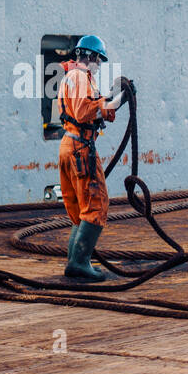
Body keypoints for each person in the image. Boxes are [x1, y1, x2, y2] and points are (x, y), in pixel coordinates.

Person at [57, 34, 118, 281]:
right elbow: (83, 111)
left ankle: (75, 261)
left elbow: (88, 109)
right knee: (96, 205)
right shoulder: (81, 77)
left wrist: (112, 103)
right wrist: (108, 103)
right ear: (91, 56)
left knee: (80, 208)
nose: (99, 65)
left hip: (69, 145)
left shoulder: (71, 77)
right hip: (81, 149)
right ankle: (80, 263)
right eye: (99, 60)